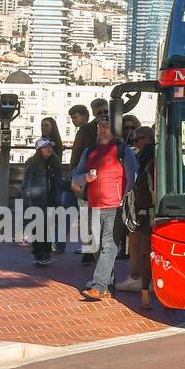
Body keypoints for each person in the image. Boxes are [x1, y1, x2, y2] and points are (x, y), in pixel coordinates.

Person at [72, 118, 137, 301]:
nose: (102, 128)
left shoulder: (123, 151)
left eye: (107, 125)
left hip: (114, 206)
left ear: (114, 129)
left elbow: (133, 177)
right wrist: (85, 177)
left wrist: (125, 201)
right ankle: (108, 285)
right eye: (100, 125)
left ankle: (98, 286)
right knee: (96, 246)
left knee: (109, 246)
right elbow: (76, 177)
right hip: (93, 205)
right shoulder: (89, 151)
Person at [114, 125, 154, 306]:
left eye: (137, 139)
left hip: (145, 205)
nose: (135, 143)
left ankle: (138, 278)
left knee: (141, 241)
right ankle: (142, 280)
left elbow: (141, 180)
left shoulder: (148, 156)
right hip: (146, 204)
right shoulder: (149, 154)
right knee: (142, 242)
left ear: (147, 138)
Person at [69, 102, 102, 265]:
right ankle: (91, 248)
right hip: (87, 177)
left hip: (87, 177)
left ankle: (90, 248)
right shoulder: (92, 131)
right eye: (99, 112)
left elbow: (76, 153)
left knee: (88, 215)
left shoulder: (85, 131)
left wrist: (73, 173)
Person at [22, 138, 60, 266]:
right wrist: (28, 205)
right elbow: (26, 186)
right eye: (45, 147)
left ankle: (45, 253)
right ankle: (40, 254)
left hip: (49, 200)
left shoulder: (51, 163)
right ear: (39, 150)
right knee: (39, 229)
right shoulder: (32, 165)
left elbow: (56, 182)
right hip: (37, 201)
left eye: (50, 146)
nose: (49, 149)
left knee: (47, 228)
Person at [42, 116, 69, 253]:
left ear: (53, 127)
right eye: (42, 125)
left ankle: (56, 243)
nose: (44, 127)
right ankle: (54, 243)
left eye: (46, 125)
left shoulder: (52, 144)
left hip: (53, 182)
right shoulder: (47, 142)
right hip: (47, 181)